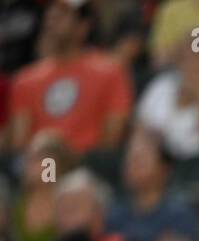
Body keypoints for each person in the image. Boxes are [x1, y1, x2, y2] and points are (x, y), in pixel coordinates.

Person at [6, 0, 133, 152]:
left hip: (87, 165)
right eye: (51, 14)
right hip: (44, 166)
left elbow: (111, 139)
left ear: (83, 26)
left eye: (63, 14)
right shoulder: (26, 79)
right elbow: (20, 144)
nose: (53, 18)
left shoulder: (110, 72)